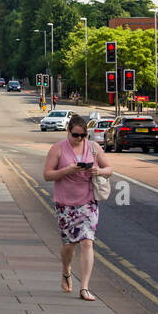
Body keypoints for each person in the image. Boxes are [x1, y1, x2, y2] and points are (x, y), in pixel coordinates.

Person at [43, 114, 113, 301]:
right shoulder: (57, 149)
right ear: (68, 131)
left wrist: (98, 170)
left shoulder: (94, 148)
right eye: (76, 135)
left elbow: (109, 169)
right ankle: (66, 270)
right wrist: (67, 170)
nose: (80, 139)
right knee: (69, 245)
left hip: (88, 202)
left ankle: (84, 288)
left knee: (87, 241)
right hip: (65, 204)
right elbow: (47, 175)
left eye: (83, 135)